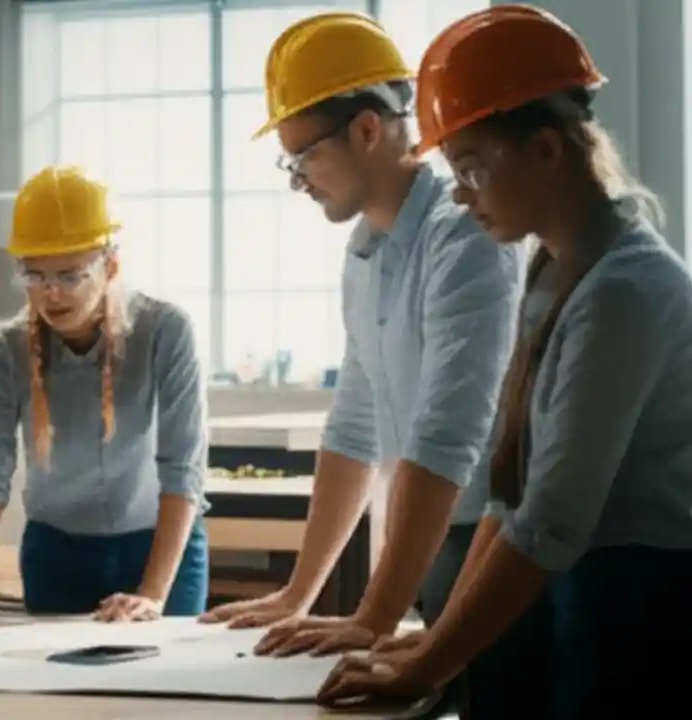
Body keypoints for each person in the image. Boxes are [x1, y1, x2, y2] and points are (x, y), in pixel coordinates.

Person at [317, 6, 692, 718]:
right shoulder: (555, 271)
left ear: (547, 151)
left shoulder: (624, 289)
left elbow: (550, 519)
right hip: (582, 591)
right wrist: (431, 642)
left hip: (644, 603)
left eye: (472, 167)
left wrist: (432, 660)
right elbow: (509, 491)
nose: (459, 192)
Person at [200, 12, 523, 657]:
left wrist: (373, 618)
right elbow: (353, 428)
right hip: (433, 537)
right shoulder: (366, 252)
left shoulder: (463, 234)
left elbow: (449, 434)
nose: (297, 181)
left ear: (368, 129)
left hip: (497, 541)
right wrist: (300, 592)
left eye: (305, 157)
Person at [0, 165, 209, 626]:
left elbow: (183, 469)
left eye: (70, 275)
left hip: (159, 549)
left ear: (111, 265)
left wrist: (153, 595)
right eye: (34, 276)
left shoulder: (165, 330)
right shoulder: (3, 349)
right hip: (57, 554)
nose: (50, 293)